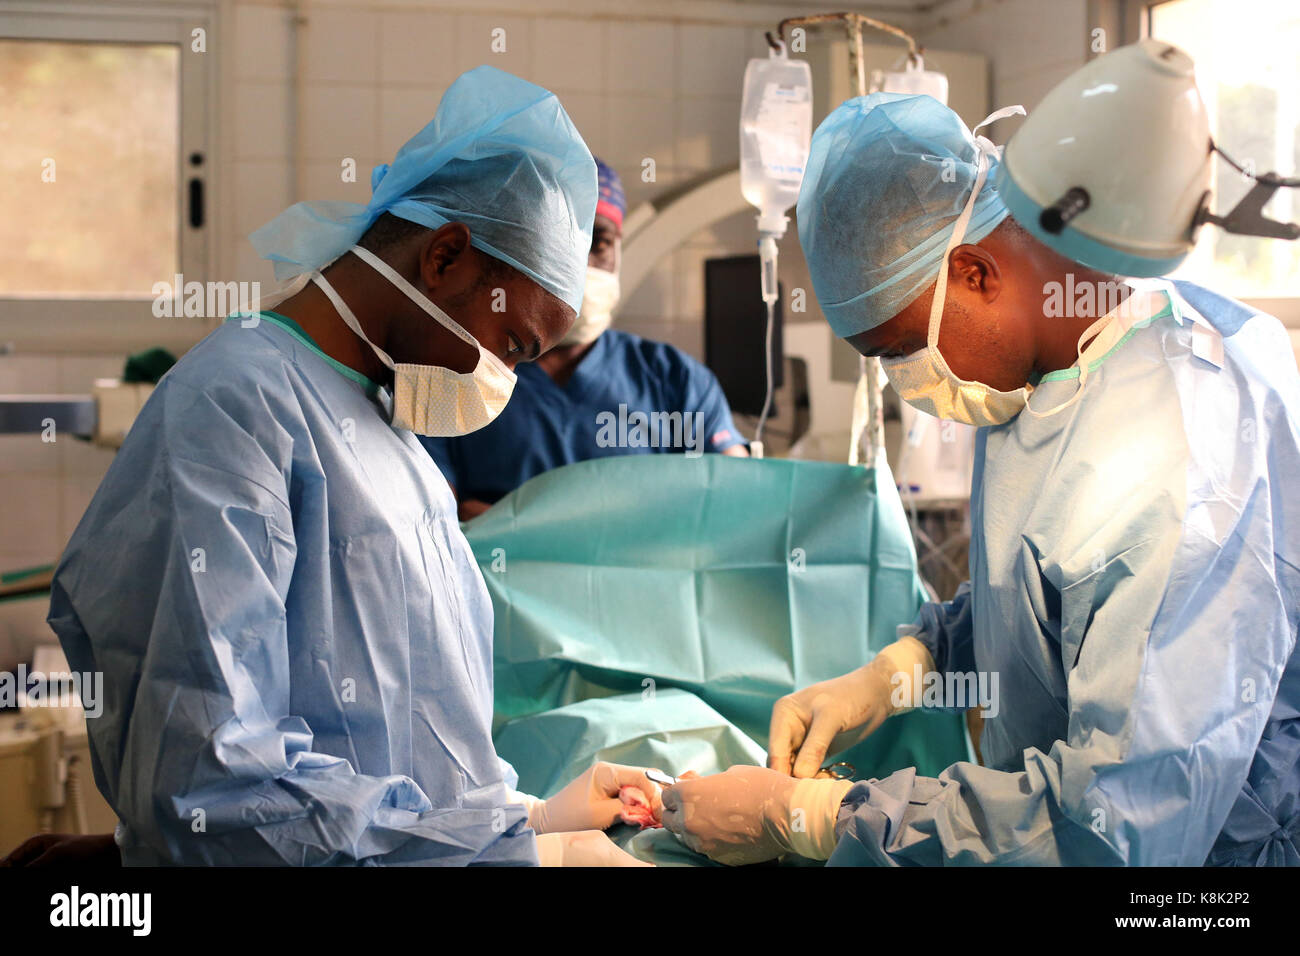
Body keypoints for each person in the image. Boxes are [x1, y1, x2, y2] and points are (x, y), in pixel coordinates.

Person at [662, 92, 1300, 866]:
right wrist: (911, 665)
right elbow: (1049, 602)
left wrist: (817, 815)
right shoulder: (1047, 377)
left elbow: (1118, 827)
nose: (906, 379)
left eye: (898, 347)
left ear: (973, 271)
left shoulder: (1176, 467)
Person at [47, 66, 661, 867]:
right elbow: (217, 790)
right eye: (512, 347)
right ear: (444, 256)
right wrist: (510, 854)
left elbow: (413, 738)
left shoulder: (391, 429)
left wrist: (528, 818)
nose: (504, 382)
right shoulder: (233, 411)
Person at [422, 158, 747, 521]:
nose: (582, 267)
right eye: (565, 248)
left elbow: (733, 502)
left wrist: (513, 520)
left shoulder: (675, 380)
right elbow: (438, 519)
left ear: (619, 251)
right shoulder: (459, 374)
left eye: (600, 242)